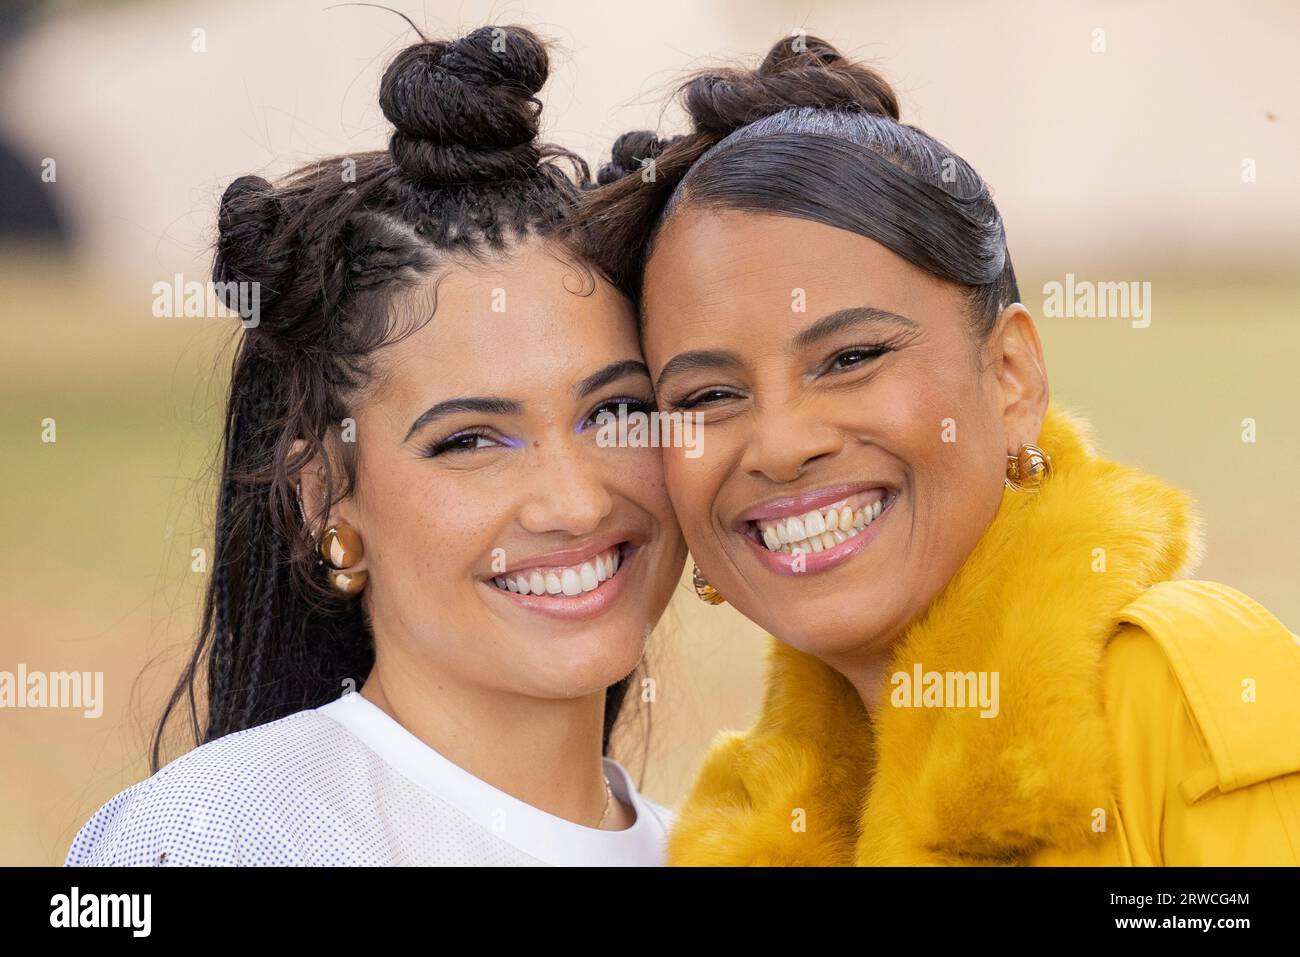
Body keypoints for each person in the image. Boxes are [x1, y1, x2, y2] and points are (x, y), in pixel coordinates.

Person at [575, 34, 1300, 865]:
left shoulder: (1175, 691)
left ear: (1011, 377)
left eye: (850, 359)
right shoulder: (742, 825)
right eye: (708, 397)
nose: (780, 446)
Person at [66, 25, 687, 867]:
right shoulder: (212, 839)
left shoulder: (723, 849)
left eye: (616, 412)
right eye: (469, 439)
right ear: (324, 493)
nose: (575, 501)